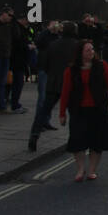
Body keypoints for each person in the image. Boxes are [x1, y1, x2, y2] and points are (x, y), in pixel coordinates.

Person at [59, 39, 108, 181]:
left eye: (92, 49)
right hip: (78, 110)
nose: (91, 52)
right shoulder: (71, 70)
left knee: (96, 142)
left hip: (98, 109)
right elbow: (65, 92)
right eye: (88, 50)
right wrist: (62, 113)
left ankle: (91, 170)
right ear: (80, 53)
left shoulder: (102, 66)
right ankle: (80, 169)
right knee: (77, 141)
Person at [29, 20, 78, 149]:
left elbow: (45, 65)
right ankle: (74, 138)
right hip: (72, 84)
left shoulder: (53, 45)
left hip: (54, 82)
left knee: (44, 110)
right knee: (74, 112)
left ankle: (34, 135)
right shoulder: (78, 46)